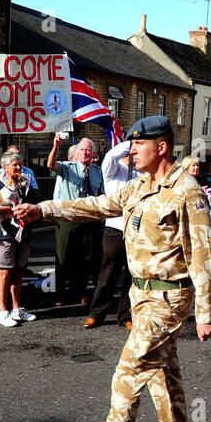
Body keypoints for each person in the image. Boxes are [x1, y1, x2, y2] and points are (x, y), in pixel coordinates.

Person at [14, 115, 211, 422]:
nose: (132, 151)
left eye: (139, 145)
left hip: (168, 298)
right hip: (140, 297)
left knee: (127, 376)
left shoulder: (187, 191)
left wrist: (207, 312)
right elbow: (94, 205)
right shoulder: (138, 187)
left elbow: (205, 254)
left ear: (161, 147)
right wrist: (43, 209)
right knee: (162, 373)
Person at [0, 151, 36, 328]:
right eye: (14, 165)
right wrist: (0, 207)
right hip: (4, 233)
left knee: (19, 271)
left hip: (22, 231)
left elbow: (34, 200)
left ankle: (17, 309)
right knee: (4, 272)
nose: (18, 167)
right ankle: (3, 312)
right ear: (4, 167)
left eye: (19, 164)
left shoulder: (26, 180)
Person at [48, 134, 104, 307]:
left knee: (87, 258)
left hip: (89, 220)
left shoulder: (97, 172)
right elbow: (51, 164)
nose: (85, 153)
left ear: (93, 153)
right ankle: (59, 294)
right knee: (63, 257)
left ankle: (81, 292)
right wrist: (56, 146)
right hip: (68, 219)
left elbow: (101, 195)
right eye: (82, 149)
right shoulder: (68, 167)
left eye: (88, 150)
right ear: (77, 152)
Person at [86, 138, 136, 329]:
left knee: (131, 276)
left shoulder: (142, 174)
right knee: (108, 273)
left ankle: (125, 316)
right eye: (134, 151)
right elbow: (109, 156)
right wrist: (132, 142)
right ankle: (96, 314)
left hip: (135, 231)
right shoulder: (113, 170)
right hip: (115, 228)